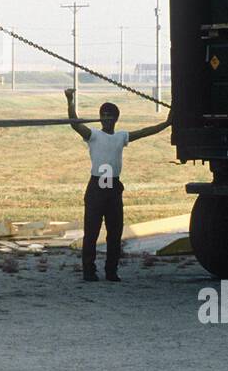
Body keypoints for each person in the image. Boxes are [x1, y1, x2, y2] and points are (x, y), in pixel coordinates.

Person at [65, 90, 172, 282]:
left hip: (113, 188)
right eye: (103, 116)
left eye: (109, 116)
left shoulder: (121, 137)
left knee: (115, 234)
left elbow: (144, 132)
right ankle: (89, 271)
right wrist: (70, 101)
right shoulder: (93, 135)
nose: (105, 119)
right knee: (91, 233)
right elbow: (75, 124)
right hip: (97, 187)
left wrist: (166, 124)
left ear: (115, 119)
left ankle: (111, 272)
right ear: (99, 118)